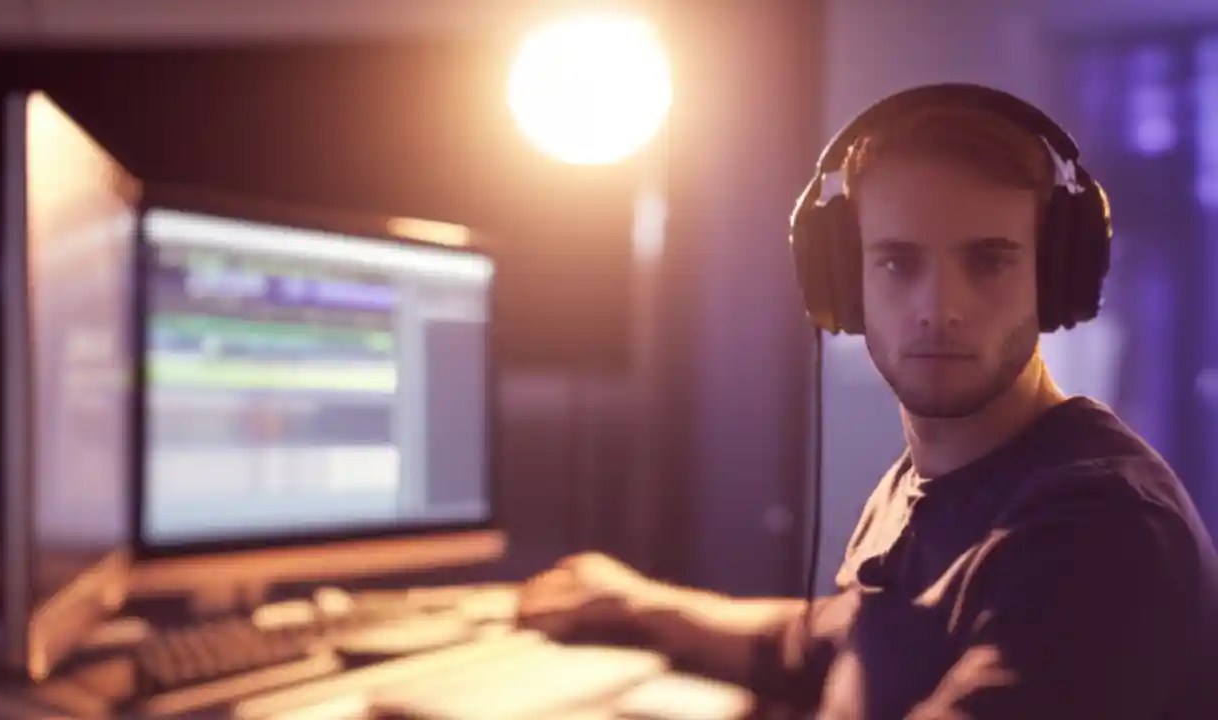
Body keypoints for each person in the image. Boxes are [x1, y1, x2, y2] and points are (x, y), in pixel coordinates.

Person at [515, 84, 1218, 718]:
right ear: (843, 288)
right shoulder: (927, 483)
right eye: (896, 263)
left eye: (989, 260)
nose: (938, 308)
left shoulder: (1101, 532)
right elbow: (838, 641)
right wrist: (644, 606)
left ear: (1055, 280)